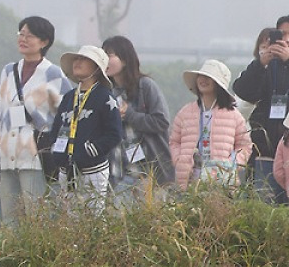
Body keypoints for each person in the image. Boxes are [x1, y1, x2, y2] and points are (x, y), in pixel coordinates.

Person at [0, 16, 70, 227]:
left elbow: (66, 114)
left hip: (35, 155)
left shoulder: (53, 73)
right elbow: (0, 112)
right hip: (6, 153)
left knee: (38, 217)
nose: (23, 39)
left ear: (44, 42)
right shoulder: (8, 71)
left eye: (30, 35)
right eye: (21, 33)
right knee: (10, 219)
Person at [46, 45, 123, 214]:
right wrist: (57, 151)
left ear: (96, 68)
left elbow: (115, 133)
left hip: (93, 170)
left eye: (84, 59)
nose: (77, 62)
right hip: (66, 171)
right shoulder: (68, 97)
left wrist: (91, 150)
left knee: (93, 219)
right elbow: (56, 129)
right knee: (69, 221)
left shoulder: (105, 97)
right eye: (76, 59)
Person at [102, 35, 173, 190]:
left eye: (110, 55)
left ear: (125, 59)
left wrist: (130, 115)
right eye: (103, 55)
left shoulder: (145, 86)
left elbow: (161, 122)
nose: (105, 60)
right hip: (116, 173)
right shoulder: (106, 91)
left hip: (145, 174)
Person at [169, 60, 251, 191]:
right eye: (201, 76)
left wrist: (231, 164)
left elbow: (245, 146)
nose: (203, 80)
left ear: (218, 84)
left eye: (209, 77)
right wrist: (180, 160)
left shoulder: (233, 115)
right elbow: (174, 142)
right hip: (189, 179)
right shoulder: (185, 113)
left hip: (221, 181)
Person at [233, 20, 289, 205]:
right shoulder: (265, 67)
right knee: (259, 203)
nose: (283, 39)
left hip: (286, 148)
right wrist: (260, 64)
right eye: (280, 34)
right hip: (261, 148)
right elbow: (242, 90)